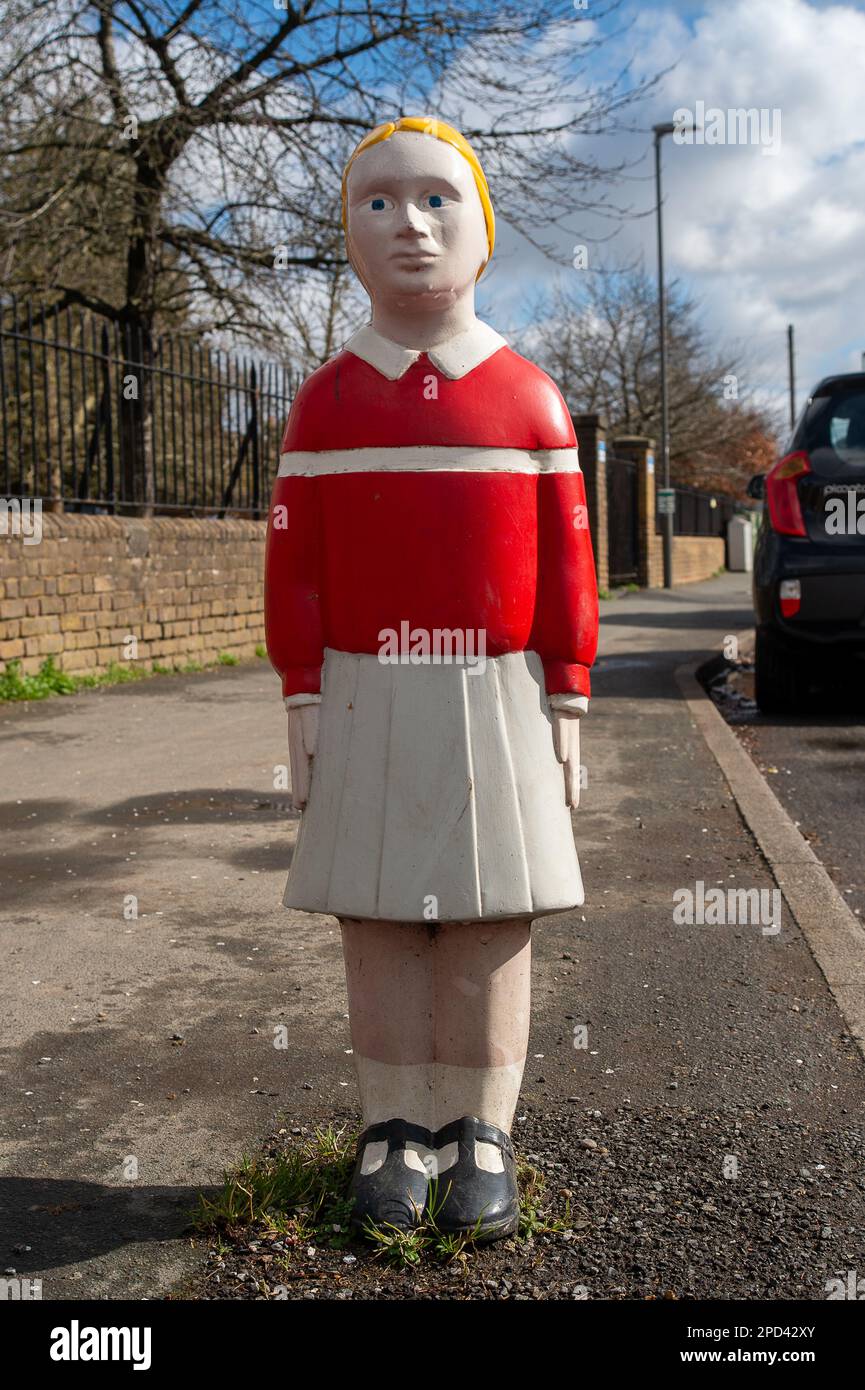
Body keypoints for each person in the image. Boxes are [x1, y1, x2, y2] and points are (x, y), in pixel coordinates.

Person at [264, 115, 598, 1241]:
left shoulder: (530, 403)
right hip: (361, 687)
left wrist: (568, 694)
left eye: (437, 199)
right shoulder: (326, 405)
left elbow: (567, 560)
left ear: (483, 233)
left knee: (491, 916)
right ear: (348, 236)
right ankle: (393, 1125)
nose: (409, 223)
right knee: (378, 916)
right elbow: (294, 562)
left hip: (498, 691)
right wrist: (302, 691)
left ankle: (480, 1129)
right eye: (379, 201)